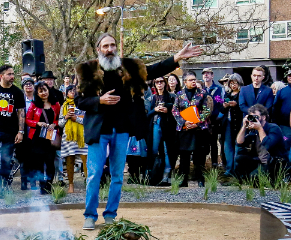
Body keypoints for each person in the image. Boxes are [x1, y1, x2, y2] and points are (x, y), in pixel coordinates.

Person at [75, 33, 200, 228]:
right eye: (105, 46)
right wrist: (99, 100)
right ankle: (89, 215)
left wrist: (176, 58)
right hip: (99, 130)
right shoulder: (88, 70)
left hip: (122, 129)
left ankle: (110, 214)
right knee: (94, 174)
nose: (110, 49)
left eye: (113, 45)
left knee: (117, 176)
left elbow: (153, 70)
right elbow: (79, 101)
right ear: (98, 49)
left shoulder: (129, 67)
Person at [171, 71, 212, 188]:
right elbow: (175, 110)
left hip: (198, 130)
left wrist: (197, 122)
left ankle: (200, 179)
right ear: (185, 82)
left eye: (195, 79)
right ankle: (184, 180)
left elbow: (207, 111)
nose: (194, 81)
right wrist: (184, 122)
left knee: (199, 157)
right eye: (191, 80)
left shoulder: (202, 93)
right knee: (184, 157)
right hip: (184, 130)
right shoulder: (179, 95)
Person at [23, 81, 61, 193]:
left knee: (50, 162)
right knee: (38, 163)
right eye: (40, 91)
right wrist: (37, 123)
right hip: (37, 137)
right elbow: (27, 120)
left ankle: (49, 186)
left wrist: (55, 123)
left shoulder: (56, 104)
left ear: (48, 90)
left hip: (50, 137)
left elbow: (60, 118)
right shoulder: (34, 105)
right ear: (37, 93)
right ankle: (41, 186)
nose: (43, 93)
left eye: (45, 90)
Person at [233, 103, 286, 181]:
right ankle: (243, 181)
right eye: (251, 117)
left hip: (273, 163)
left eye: (256, 117)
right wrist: (244, 126)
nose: (254, 120)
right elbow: (239, 142)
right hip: (258, 161)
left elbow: (268, 144)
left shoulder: (273, 128)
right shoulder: (254, 130)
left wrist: (260, 129)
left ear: (264, 117)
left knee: (254, 177)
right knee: (239, 158)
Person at [271, 69, 291, 166]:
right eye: (289, 75)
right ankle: (287, 170)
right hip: (285, 125)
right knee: (286, 147)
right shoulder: (282, 91)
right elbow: (275, 108)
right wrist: (276, 123)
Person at [59, 86, 85, 190]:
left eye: (75, 90)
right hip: (68, 137)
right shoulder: (64, 106)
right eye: (70, 91)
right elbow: (60, 124)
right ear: (66, 93)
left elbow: (88, 121)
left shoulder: (83, 104)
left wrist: (76, 119)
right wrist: (66, 117)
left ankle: (88, 183)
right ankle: (71, 184)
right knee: (69, 160)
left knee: (86, 160)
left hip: (82, 136)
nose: (73, 92)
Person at [201, 68, 225, 169]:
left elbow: (222, 104)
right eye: (204, 74)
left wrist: (219, 116)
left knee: (214, 143)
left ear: (212, 75)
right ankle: (201, 165)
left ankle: (214, 164)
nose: (206, 75)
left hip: (215, 120)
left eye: (208, 74)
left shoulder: (219, 89)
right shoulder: (200, 89)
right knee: (203, 143)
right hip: (202, 121)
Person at [221, 74, 244, 178]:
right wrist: (225, 106)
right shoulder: (227, 94)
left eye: (235, 83)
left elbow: (243, 106)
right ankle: (229, 168)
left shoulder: (242, 93)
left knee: (237, 145)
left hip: (239, 123)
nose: (233, 85)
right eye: (231, 83)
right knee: (227, 146)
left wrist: (236, 105)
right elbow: (222, 109)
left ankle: (236, 169)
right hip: (228, 123)